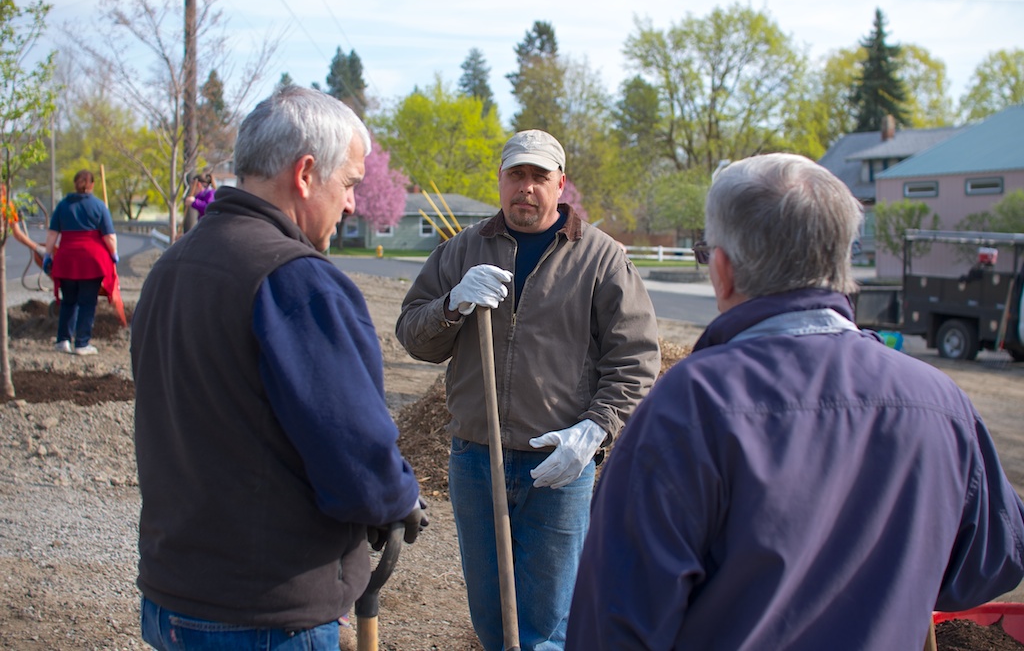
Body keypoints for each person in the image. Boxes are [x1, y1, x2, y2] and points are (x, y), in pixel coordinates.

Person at [566, 153, 1024, 650]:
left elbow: (613, 624)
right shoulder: (942, 402)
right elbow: (991, 563)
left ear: (722, 269)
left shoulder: (691, 404)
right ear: (842, 263)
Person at [131, 85, 427, 650]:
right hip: (261, 613)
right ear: (305, 173)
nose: (351, 205)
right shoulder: (295, 280)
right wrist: (398, 495)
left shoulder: (173, 266)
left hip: (175, 596)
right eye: (349, 185)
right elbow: (356, 460)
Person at [396, 129, 661, 650]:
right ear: (500, 180)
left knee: (548, 624)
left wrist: (595, 429)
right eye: (516, 174)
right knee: (492, 621)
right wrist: (453, 302)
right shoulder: (462, 250)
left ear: (560, 183)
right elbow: (413, 335)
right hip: (476, 458)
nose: (527, 187)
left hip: (558, 463)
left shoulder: (601, 259)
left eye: (539, 176)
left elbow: (635, 359)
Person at [44, 169, 119, 356]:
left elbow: (53, 234)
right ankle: (82, 343)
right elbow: (109, 236)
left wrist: (47, 255)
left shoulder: (62, 206)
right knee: (87, 302)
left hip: (67, 258)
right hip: (91, 261)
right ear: (92, 185)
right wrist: (114, 253)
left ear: (75, 184)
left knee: (68, 300)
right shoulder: (99, 206)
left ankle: (63, 340)